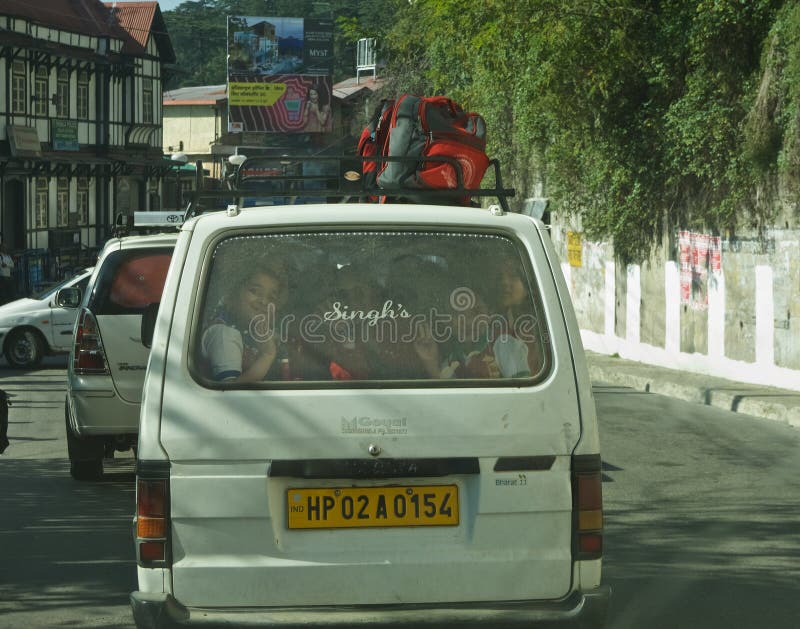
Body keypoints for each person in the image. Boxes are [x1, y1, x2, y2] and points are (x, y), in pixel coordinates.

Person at [201, 265, 287, 382]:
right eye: (255, 291)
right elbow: (230, 394)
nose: (264, 301)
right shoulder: (223, 334)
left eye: (271, 298)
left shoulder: (256, 336)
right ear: (233, 295)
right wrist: (268, 355)